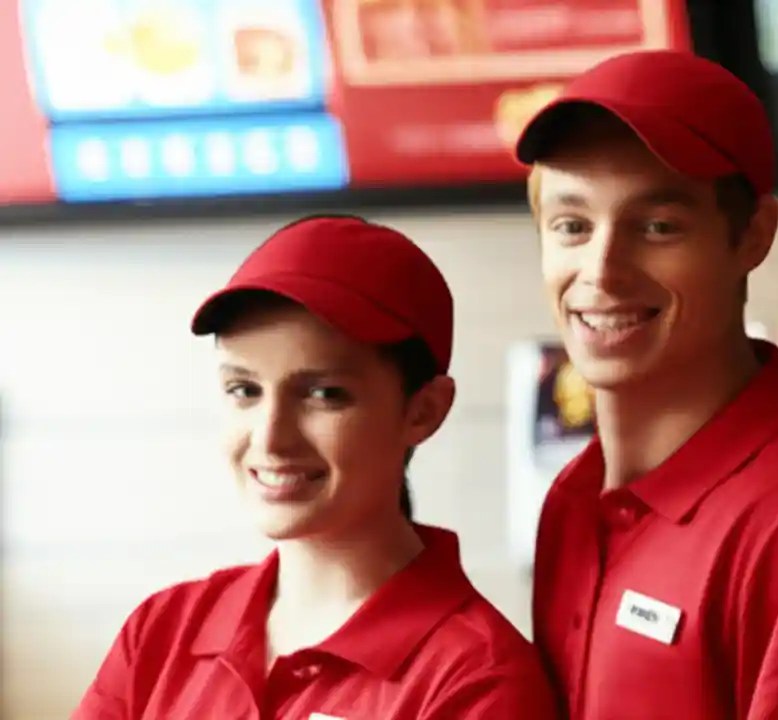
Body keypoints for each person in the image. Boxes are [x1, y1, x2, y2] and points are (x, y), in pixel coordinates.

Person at [513, 50, 778, 719]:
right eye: (572, 226)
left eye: (657, 227)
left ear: (752, 236)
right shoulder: (572, 498)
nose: (603, 270)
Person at [73, 215, 558, 719]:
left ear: (423, 411)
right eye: (245, 391)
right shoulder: (162, 632)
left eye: (324, 395)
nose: (271, 437)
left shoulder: (477, 680)